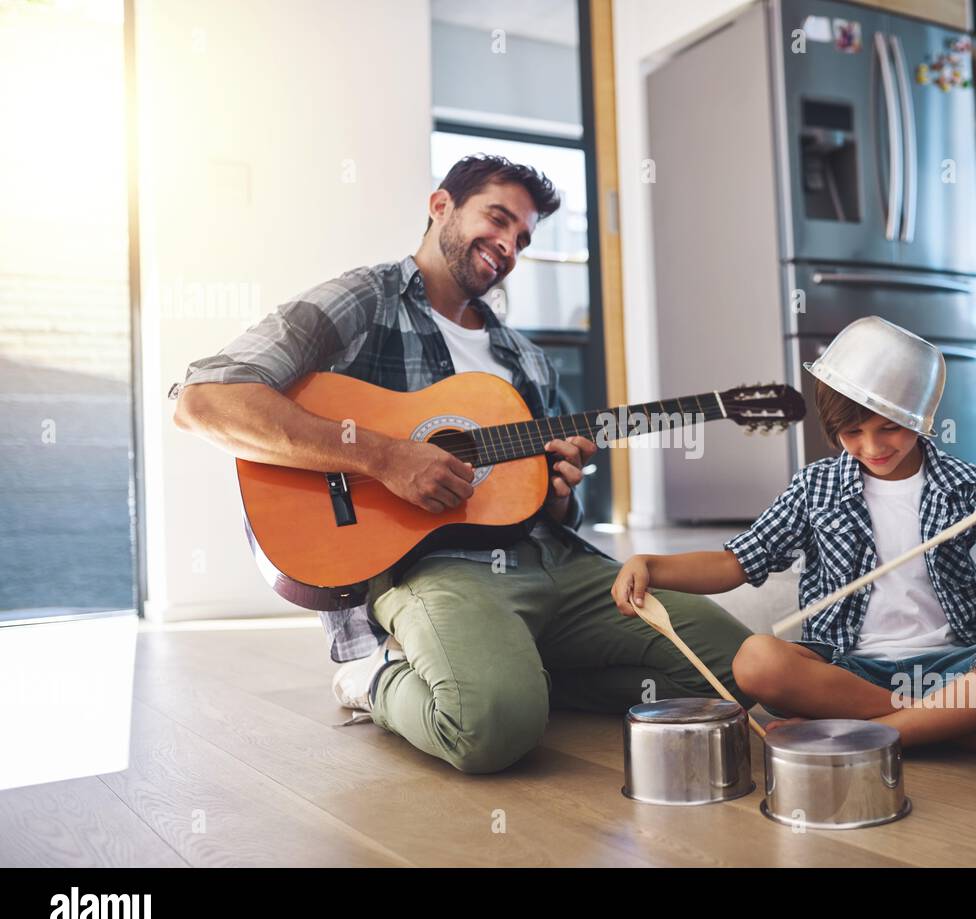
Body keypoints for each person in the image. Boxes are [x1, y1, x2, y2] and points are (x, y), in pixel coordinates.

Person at [172, 154, 755, 774]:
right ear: (441, 205)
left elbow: (543, 505)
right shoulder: (367, 299)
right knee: (491, 728)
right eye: (497, 219)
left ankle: (521, 672)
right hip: (434, 566)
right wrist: (386, 456)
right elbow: (204, 399)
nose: (507, 245)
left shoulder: (526, 359)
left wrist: (557, 490)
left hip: (553, 562)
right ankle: (374, 681)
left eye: (522, 238)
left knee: (744, 673)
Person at [611, 316, 976, 751]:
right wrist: (651, 565)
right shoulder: (815, 487)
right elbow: (735, 562)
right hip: (846, 671)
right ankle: (937, 730)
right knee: (758, 661)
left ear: (920, 415)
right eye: (853, 433)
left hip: (950, 667)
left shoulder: (963, 483)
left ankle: (879, 732)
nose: (872, 448)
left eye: (889, 427)